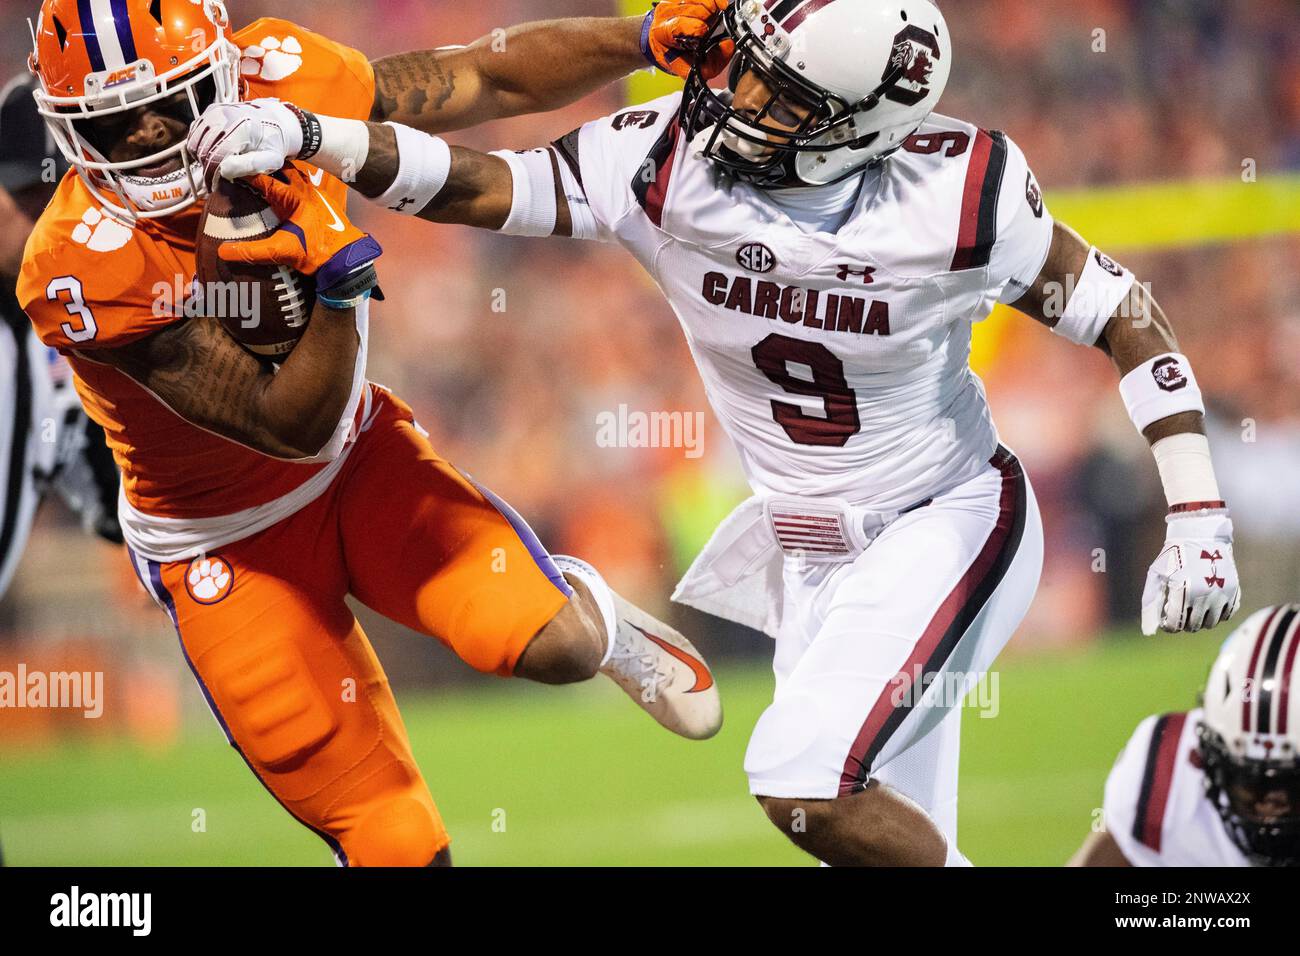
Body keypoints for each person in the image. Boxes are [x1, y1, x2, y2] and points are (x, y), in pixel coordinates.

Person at [192, 0, 1245, 865]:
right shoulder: (666, 160)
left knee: (802, 783)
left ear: (864, 124)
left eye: (774, 94)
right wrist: (313, 139)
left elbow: (1123, 313)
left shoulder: (959, 195)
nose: (732, 98)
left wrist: (1195, 503)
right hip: (810, 553)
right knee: (871, 823)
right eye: (743, 66)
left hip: (947, 518)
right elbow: (479, 183)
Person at [18, 0, 725, 867]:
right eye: (114, 119)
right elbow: (287, 425)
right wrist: (337, 274)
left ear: (224, 68)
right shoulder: (76, 265)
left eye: (173, 100)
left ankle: (598, 616)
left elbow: (481, 73)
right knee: (390, 839)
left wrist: (641, 36)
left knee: (560, 647)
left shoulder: (282, 69)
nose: (148, 133)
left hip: (359, 463)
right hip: (223, 547)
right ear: (68, 126)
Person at [0, 71, 120, 604]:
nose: (47, 222)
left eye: (61, 198)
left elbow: (115, 501)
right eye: (28, 195)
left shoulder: (70, 339)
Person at [1072, 604, 1299, 867]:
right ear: (1207, 758)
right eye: (1250, 784)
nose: (1268, 814)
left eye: (1293, 790)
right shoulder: (1169, 787)